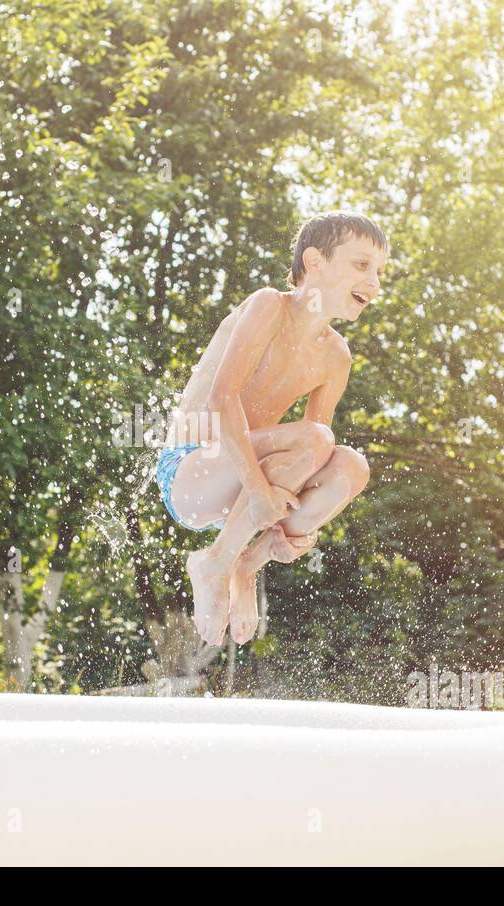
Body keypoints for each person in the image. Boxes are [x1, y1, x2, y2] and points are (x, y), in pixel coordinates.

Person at [154, 211, 386, 646]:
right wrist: (261, 494)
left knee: (351, 466)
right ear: (314, 262)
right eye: (361, 265)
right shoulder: (269, 307)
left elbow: (311, 463)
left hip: (245, 494)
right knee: (316, 437)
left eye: (379, 270)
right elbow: (222, 398)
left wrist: (303, 525)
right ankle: (214, 563)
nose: (374, 282)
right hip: (192, 473)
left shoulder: (336, 356)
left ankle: (247, 563)